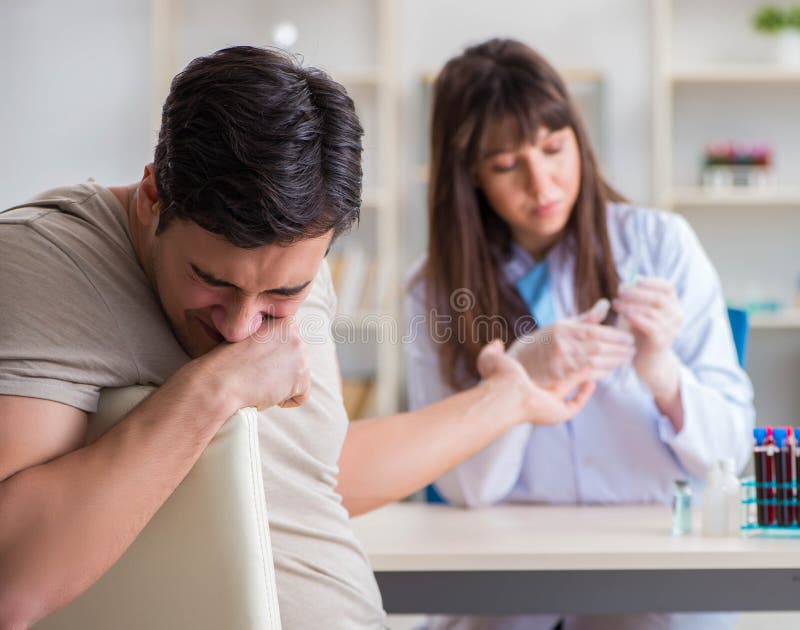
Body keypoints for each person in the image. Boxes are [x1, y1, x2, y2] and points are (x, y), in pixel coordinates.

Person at [0, 46, 594, 630]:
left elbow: (317, 476)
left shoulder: (302, 247)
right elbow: (11, 583)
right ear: (154, 199)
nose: (241, 328)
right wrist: (215, 391)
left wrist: (505, 400)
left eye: (282, 294)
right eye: (212, 281)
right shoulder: (44, 260)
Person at [405, 38, 755, 630]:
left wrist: (662, 374)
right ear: (470, 176)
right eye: (506, 165)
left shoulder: (661, 245)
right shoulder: (434, 288)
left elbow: (730, 453)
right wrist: (517, 378)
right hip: (507, 574)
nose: (541, 184)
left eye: (553, 149)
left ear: (579, 140)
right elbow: (466, 489)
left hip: (654, 569)